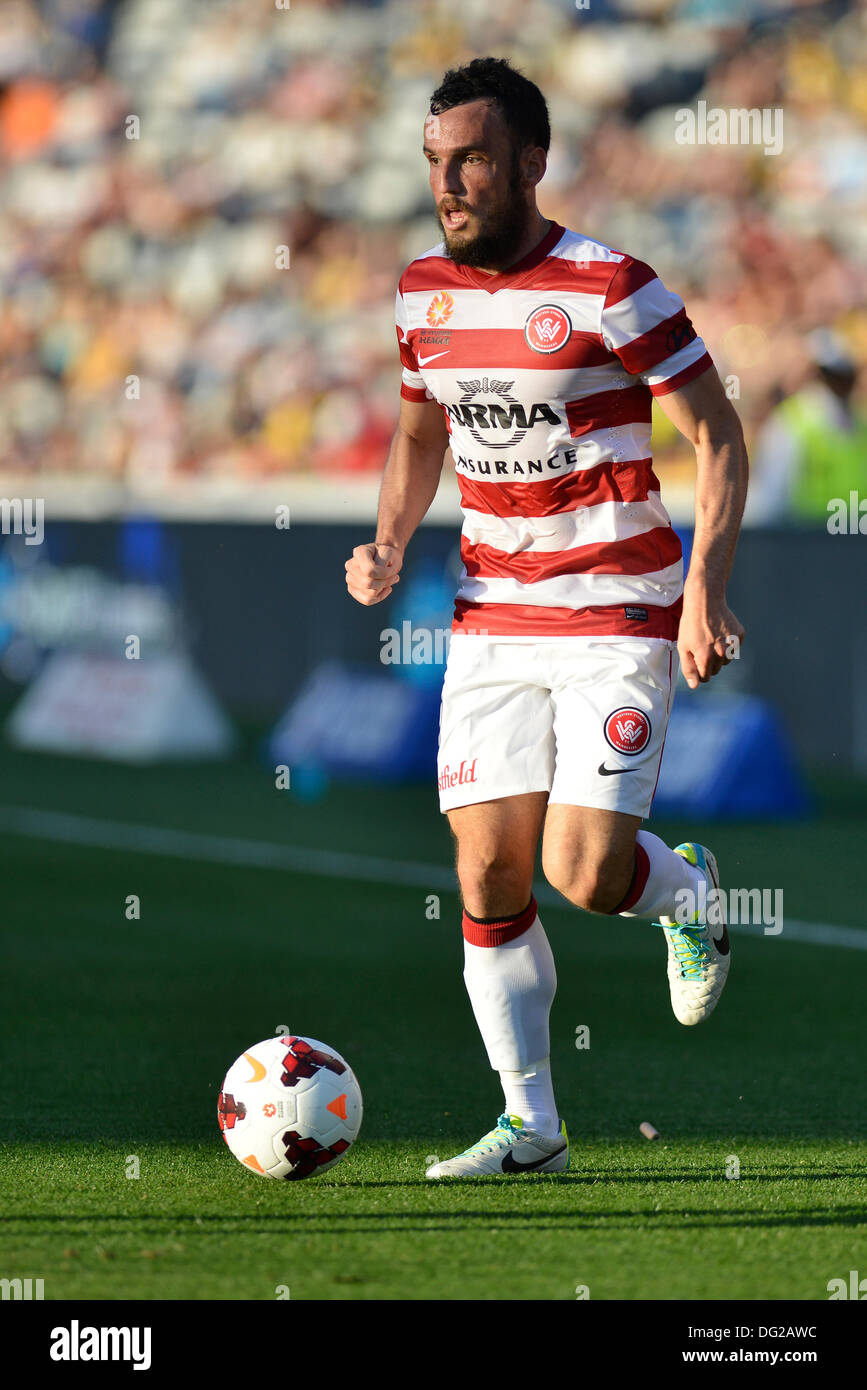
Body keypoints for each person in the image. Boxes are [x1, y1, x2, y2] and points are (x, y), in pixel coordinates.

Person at [345, 57, 747, 1178]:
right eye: (434, 161)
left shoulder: (613, 286)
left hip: (617, 612)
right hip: (489, 619)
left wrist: (703, 584)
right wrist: (387, 539)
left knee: (579, 871)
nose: (449, 182)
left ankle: (686, 888)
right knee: (486, 876)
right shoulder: (420, 292)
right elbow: (419, 431)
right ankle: (535, 1127)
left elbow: (718, 431)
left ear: (531, 161)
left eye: (470, 157)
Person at [748, 329, 867, 525]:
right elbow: (772, 499)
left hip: (851, 542)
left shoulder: (859, 420)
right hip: (809, 543)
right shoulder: (791, 422)